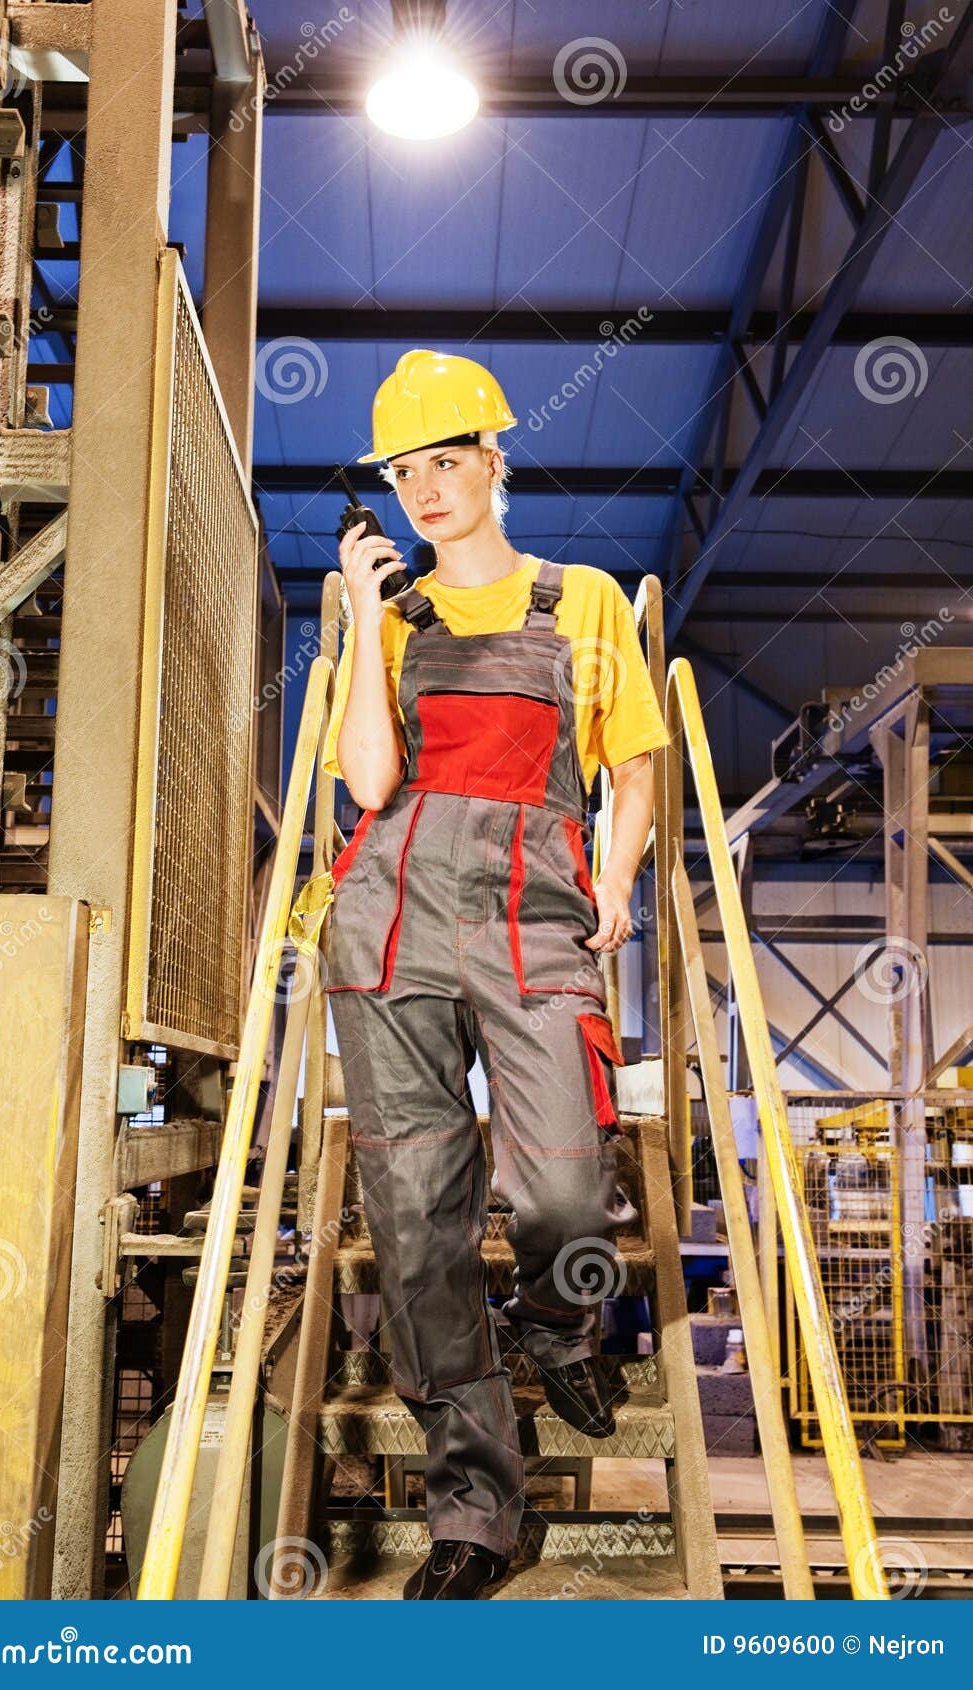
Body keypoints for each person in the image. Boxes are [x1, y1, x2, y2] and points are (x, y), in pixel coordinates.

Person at [320, 349, 669, 1599]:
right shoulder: (391, 621)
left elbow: (632, 764)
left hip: (538, 916)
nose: (424, 486)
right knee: (417, 1231)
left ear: (495, 461)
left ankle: (557, 1318)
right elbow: (368, 783)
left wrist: (619, 879)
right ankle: (473, 1507)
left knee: (569, 1188)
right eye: (403, 470)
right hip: (389, 919)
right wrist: (363, 617)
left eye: (445, 459)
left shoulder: (580, 603)